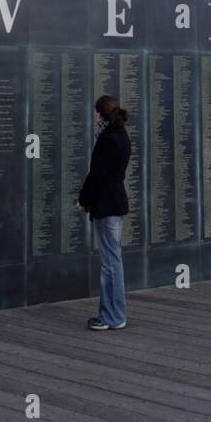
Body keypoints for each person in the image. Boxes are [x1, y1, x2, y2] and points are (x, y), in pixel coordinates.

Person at [77, 95, 131, 330]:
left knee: (109, 263)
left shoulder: (107, 139)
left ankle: (111, 316)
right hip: (116, 202)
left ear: (100, 114)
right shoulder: (122, 136)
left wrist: (83, 200)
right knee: (114, 261)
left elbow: (96, 174)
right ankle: (116, 314)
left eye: (95, 113)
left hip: (106, 204)